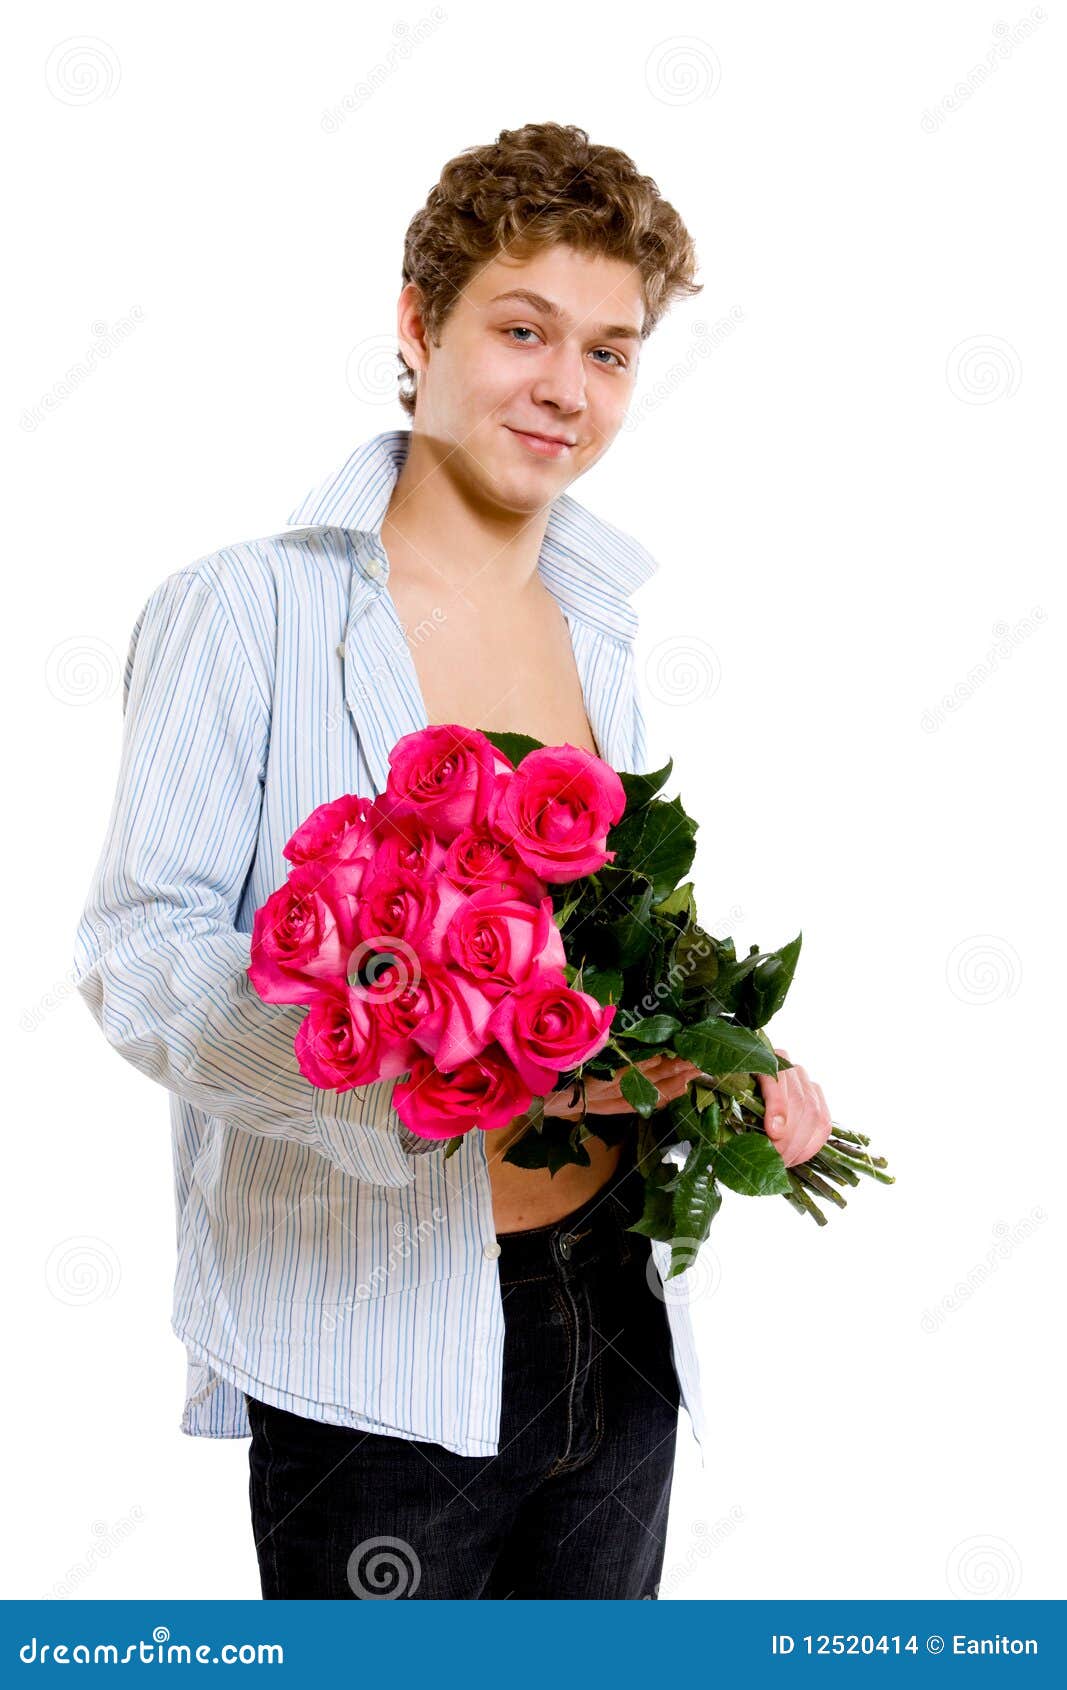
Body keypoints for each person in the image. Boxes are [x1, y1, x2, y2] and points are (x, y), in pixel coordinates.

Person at [73, 121, 832, 1600]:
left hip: (612, 1317)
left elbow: (602, 959)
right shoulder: (246, 613)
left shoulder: (596, 624)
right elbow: (137, 952)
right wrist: (406, 1046)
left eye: (611, 351)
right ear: (419, 327)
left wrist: (706, 1060)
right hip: (378, 1355)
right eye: (523, 329)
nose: (567, 386)